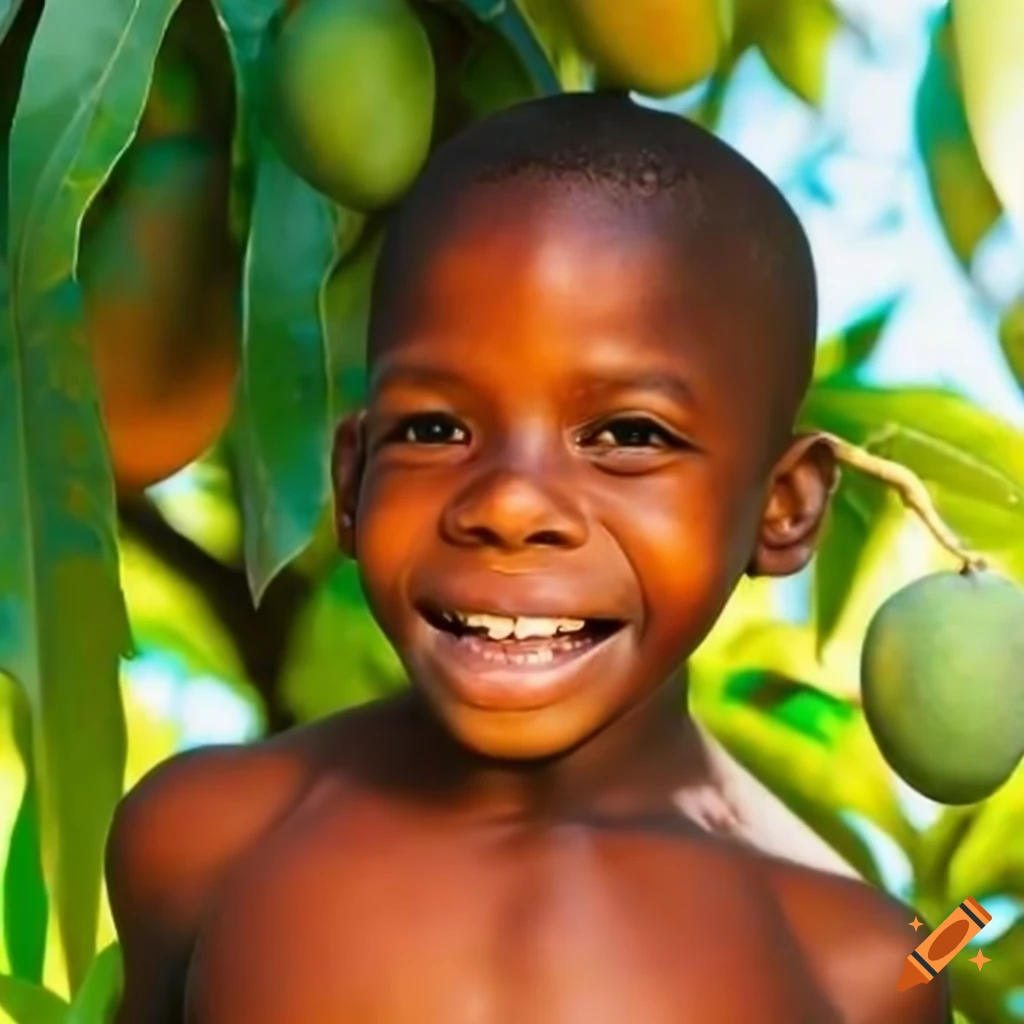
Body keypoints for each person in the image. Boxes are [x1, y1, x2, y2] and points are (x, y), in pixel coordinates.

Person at [107, 91, 950, 1023]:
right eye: (434, 428)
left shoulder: (875, 963)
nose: (509, 504)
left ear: (783, 509)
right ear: (352, 481)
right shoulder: (194, 835)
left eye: (629, 433)